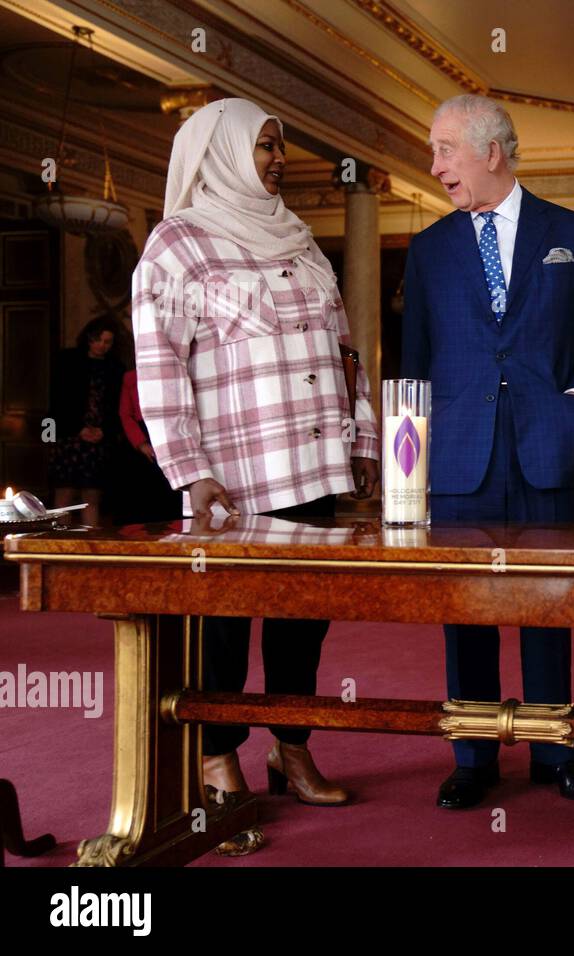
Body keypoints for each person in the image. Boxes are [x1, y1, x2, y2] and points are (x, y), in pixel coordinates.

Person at [132, 98, 381, 849]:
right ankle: (215, 758)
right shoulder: (178, 245)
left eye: (281, 145)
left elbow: (346, 350)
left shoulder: (300, 240)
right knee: (224, 631)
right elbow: (160, 365)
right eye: (266, 145)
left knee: (304, 619)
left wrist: (360, 438)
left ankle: (291, 747)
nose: (278, 157)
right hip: (232, 480)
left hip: (312, 466)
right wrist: (189, 470)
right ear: (221, 152)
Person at [400, 94, 574, 809]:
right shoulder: (430, 248)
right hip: (458, 459)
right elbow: (415, 365)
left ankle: (555, 752)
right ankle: (472, 757)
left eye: (444, 150)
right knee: (465, 610)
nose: (434, 166)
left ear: (491, 151)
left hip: (548, 449)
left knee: (547, 607)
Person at [50, 317, 124, 527]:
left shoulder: (115, 368)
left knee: (92, 496)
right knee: (64, 492)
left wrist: (105, 431)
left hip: (99, 440)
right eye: (97, 339)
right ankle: (56, 547)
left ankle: (90, 547)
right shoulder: (68, 361)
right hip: (69, 437)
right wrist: (77, 429)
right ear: (88, 338)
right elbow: (58, 400)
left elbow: (117, 407)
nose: (102, 345)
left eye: (107, 341)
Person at [116, 367, 182, 523]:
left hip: (168, 433)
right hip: (141, 437)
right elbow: (125, 414)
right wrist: (141, 443)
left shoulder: (172, 373)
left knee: (170, 491)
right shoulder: (131, 376)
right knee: (139, 494)